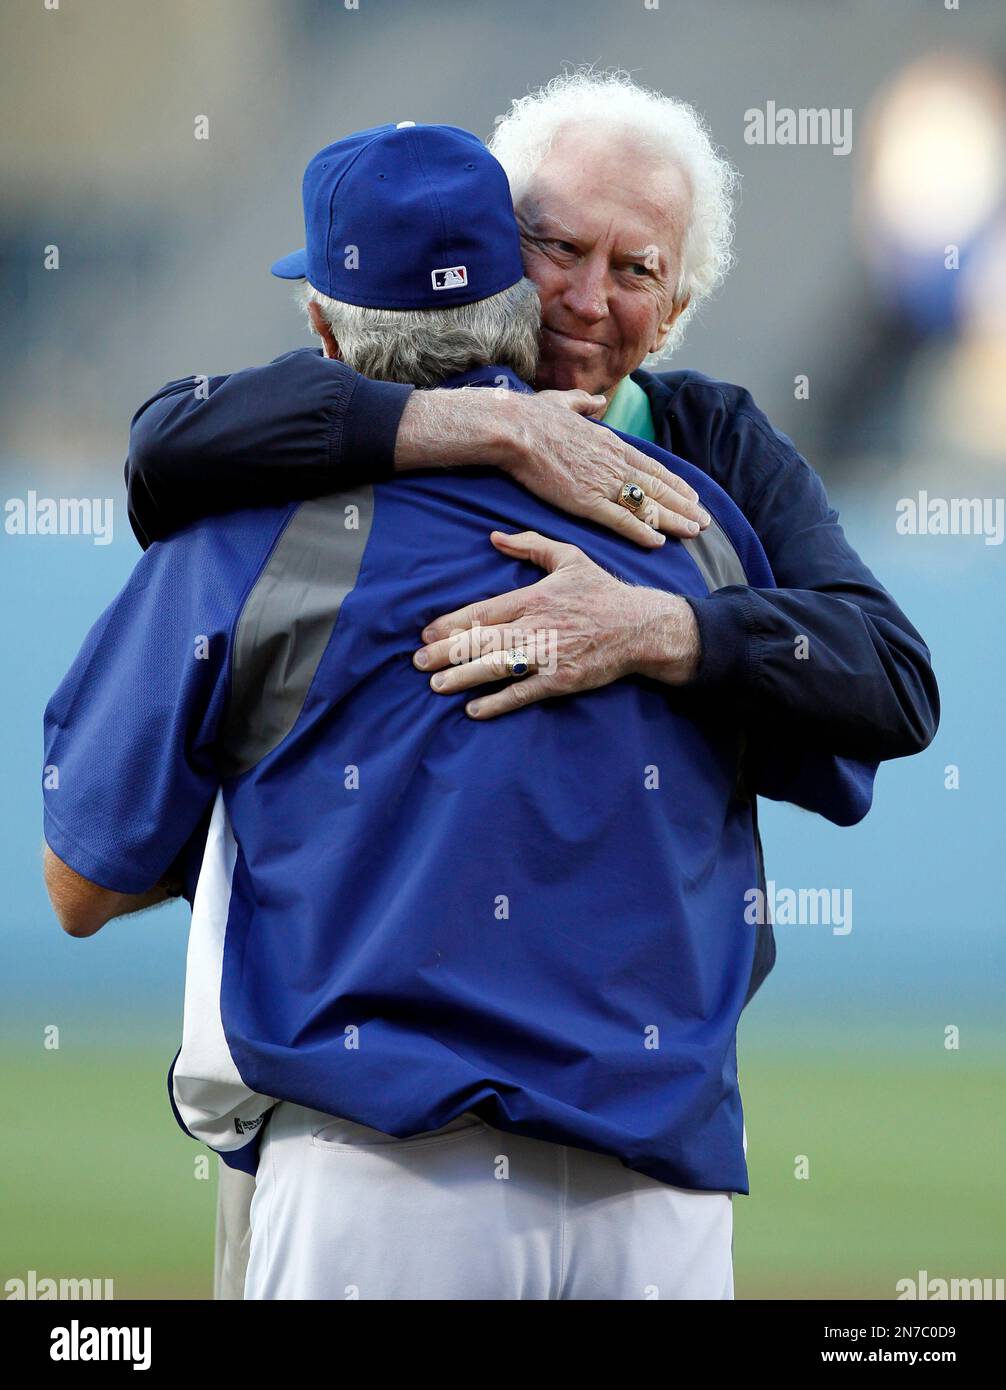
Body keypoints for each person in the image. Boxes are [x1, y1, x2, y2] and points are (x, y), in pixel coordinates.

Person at [43, 123, 877, 1300]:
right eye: (562, 252)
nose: (588, 295)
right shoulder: (697, 527)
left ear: (324, 330)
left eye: (629, 268)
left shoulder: (243, 537)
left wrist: (299, 812)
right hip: (661, 1198)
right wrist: (670, 631)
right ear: (514, 295)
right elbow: (846, 732)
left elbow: (80, 886)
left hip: (376, 1176)